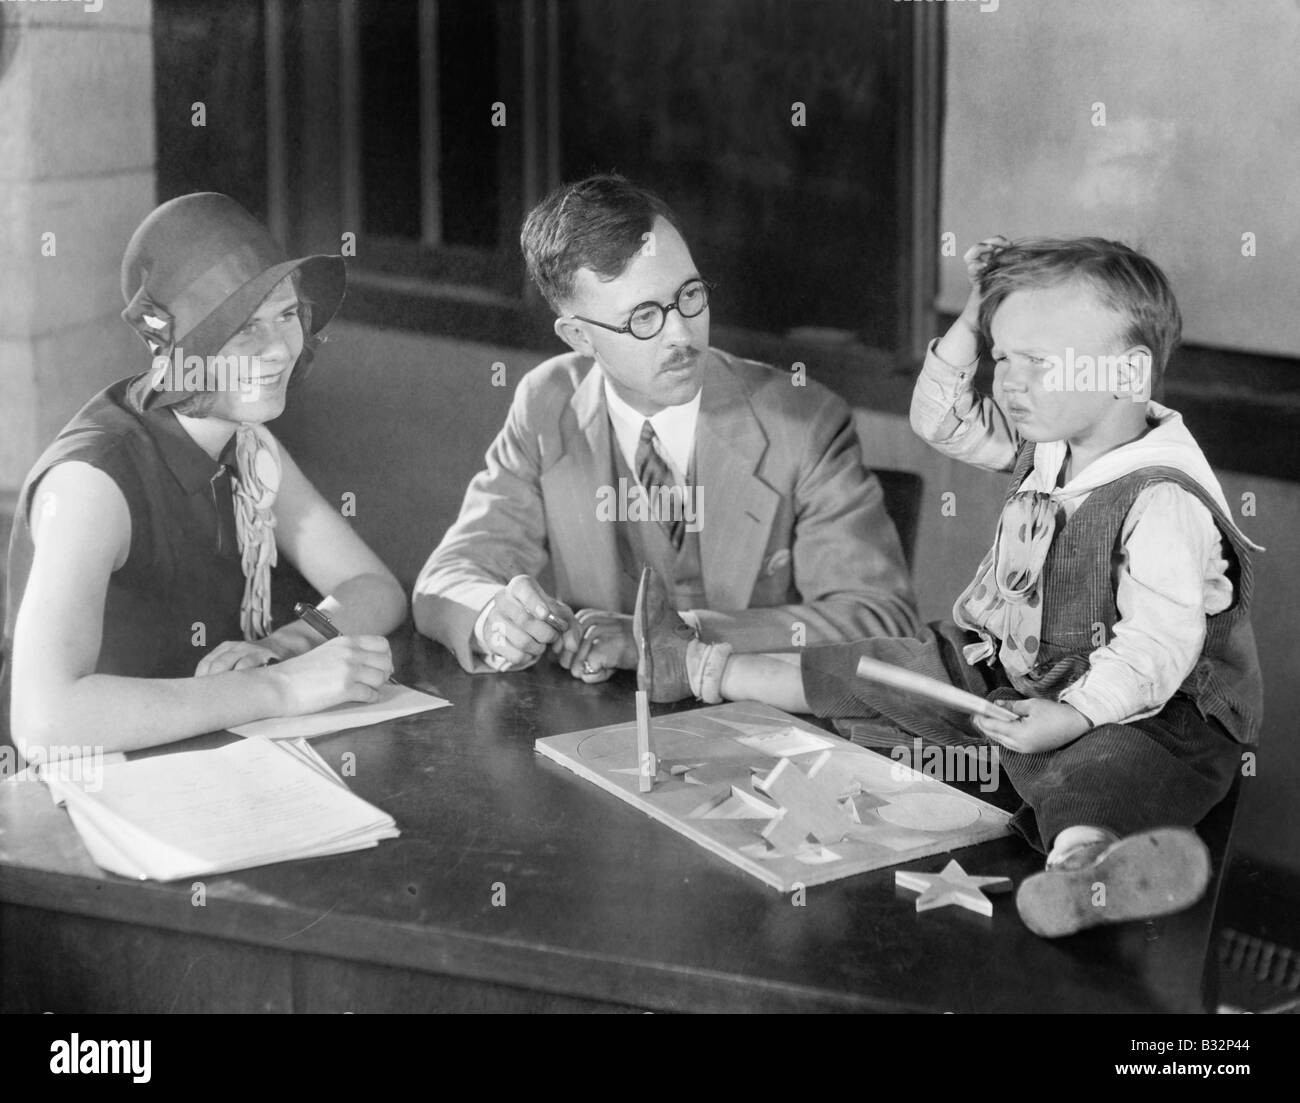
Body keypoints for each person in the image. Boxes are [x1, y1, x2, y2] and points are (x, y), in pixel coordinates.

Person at [634, 236, 1262, 938]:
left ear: (1128, 373)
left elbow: (1154, 648)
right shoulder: (1054, 440)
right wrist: (975, 311)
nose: (1008, 382)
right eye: (1001, 356)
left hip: (1145, 709)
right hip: (1024, 667)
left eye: (1038, 362)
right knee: (880, 664)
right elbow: (942, 417)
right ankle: (694, 663)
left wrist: (1074, 716)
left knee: (1100, 771)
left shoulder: (1164, 500)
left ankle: (1085, 872)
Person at [413, 174, 918, 680]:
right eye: (643, 318)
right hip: (600, 730)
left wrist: (676, 637)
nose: (681, 334)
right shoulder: (547, 404)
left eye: (690, 295)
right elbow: (447, 579)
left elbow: (882, 621)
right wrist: (495, 618)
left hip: (766, 725)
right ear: (579, 337)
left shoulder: (804, 421)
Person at [3, 193, 405, 757]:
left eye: (287, 315)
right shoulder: (91, 483)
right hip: (81, 806)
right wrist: (281, 686)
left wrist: (289, 645)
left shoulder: (246, 442)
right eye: (241, 327)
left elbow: (375, 589)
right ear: (174, 348)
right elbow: (45, 722)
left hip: (206, 770)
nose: (276, 350)